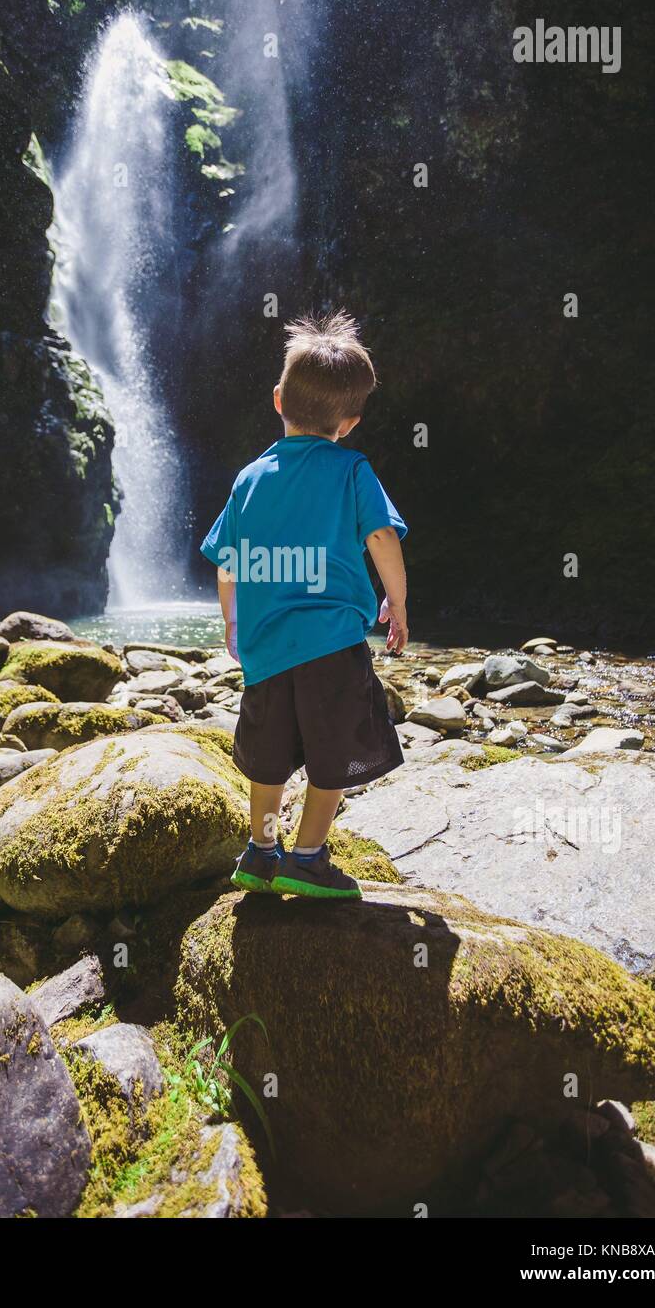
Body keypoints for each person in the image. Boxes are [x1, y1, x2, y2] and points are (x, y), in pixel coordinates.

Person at [200, 310, 408, 900]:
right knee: (334, 751)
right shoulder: (351, 469)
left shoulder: (249, 478)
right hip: (333, 646)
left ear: (276, 400)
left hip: (266, 652)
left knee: (267, 758)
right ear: (349, 422)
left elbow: (228, 564)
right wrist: (397, 600)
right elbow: (382, 538)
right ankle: (309, 857)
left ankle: (261, 852)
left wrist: (233, 621)